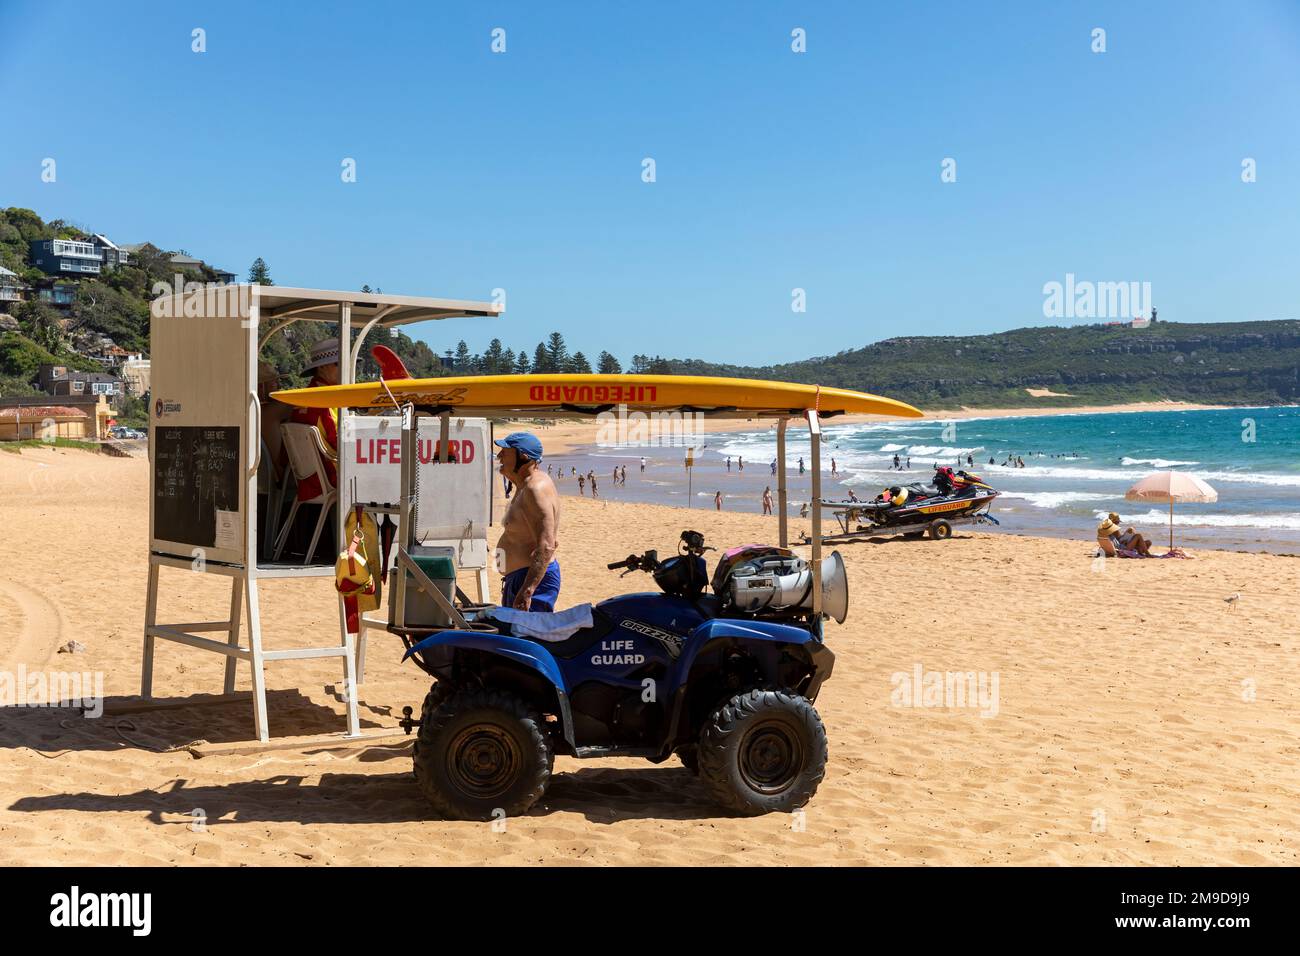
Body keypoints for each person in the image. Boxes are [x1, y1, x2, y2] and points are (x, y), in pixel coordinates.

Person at [494, 433, 561, 611]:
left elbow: (546, 546)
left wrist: (528, 590)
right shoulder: (525, 485)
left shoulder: (534, 489)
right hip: (520, 578)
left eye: (504, 451)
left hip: (530, 581)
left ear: (523, 456)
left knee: (526, 637)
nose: (499, 456)